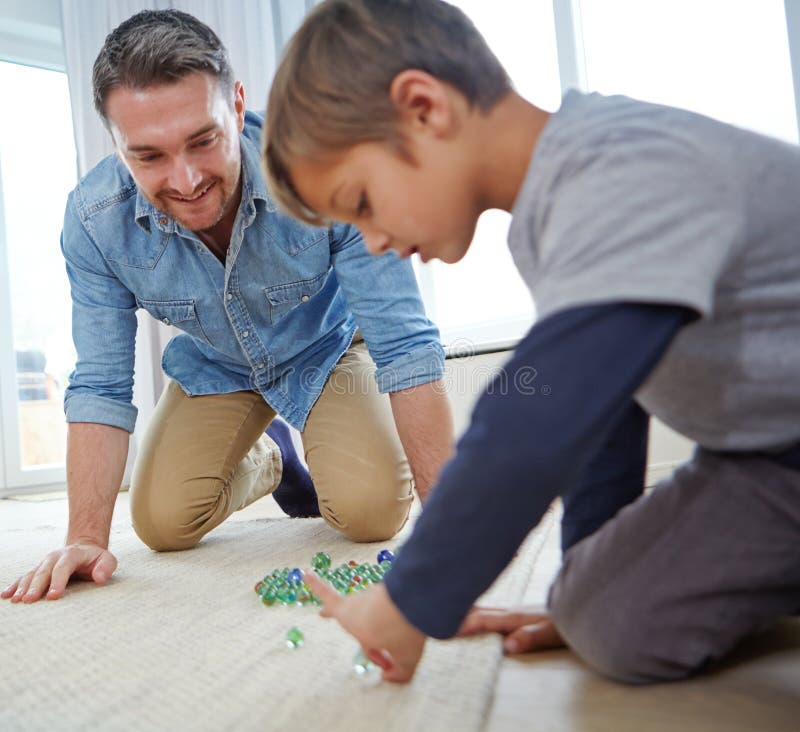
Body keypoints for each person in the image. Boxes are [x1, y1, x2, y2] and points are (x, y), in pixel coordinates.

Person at [262, 0, 800, 684]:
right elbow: (608, 411)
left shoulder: (616, 172)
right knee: (606, 618)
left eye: (362, 201)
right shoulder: (548, 218)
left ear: (424, 108)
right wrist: (582, 584)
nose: (373, 242)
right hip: (762, 459)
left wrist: (411, 596)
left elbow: (536, 422)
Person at [2, 8, 454, 606]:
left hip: (328, 349)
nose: (186, 179)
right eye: (149, 156)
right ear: (115, 145)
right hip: (219, 365)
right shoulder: (94, 221)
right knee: (161, 524)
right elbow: (102, 384)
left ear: (237, 106)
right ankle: (268, 459)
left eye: (202, 140)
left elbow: (405, 344)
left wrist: (454, 527)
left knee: (369, 511)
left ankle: (324, 444)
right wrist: (84, 536)